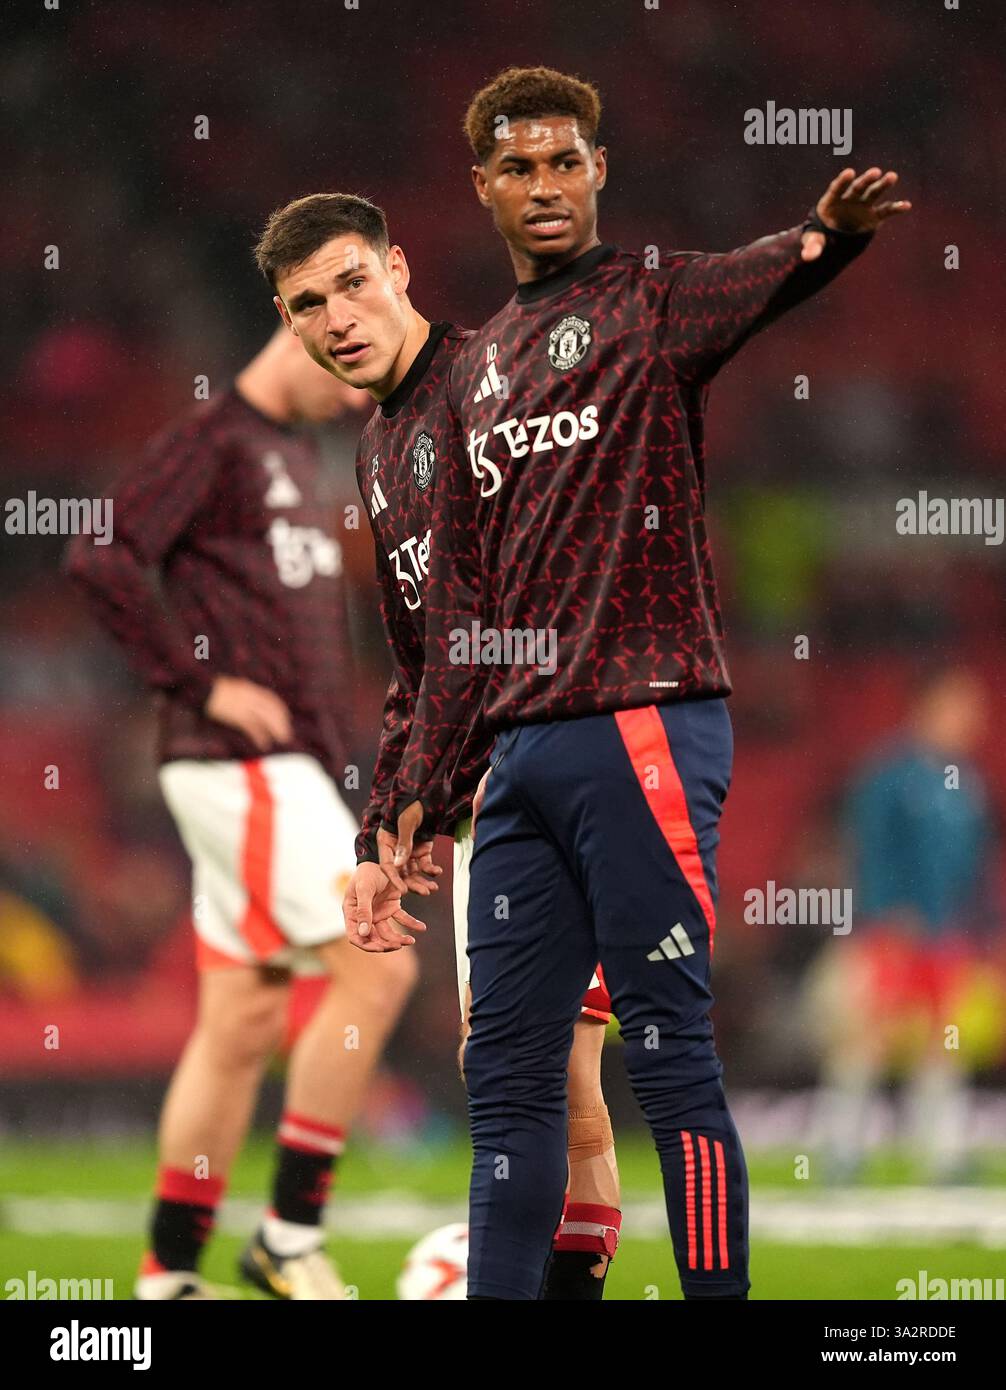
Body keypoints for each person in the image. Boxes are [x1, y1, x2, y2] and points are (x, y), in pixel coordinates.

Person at [383, 65, 910, 1300]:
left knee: (670, 1058)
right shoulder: (471, 374)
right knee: (505, 1080)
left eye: (565, 161)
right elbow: (460, 614)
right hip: (516, 763)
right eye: (518, 168)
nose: (545, 185)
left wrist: (825, 236)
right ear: (483, 189)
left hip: (645, 720)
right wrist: (412, 796)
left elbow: (766, 274)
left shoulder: (654, 298)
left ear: (598, 170)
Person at [256, 191, 623, 1299]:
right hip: (492, 792)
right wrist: (390, 821)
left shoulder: (492, 387)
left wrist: (419, 801)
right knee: (515, 1065)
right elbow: (423, 668)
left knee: (546, 1066)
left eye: (352, 281)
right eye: (305, 304)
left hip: (574, 761)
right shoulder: (378, 447)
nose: (337, 317)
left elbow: (506, 626)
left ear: (400, 268)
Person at [66, 326, 417, 1300]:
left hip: (279, 769)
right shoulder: (214, 439)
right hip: (243, 762)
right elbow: (101, 555)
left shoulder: (292, 455)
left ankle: (168, 1273)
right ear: (300, 335)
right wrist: (197, 684)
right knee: (380, 960)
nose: (356, 401)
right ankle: (289, 1237)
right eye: (346, 375)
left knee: (240, 1021)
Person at [810, 668, 997, 1183]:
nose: (971, 720)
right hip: (892, 932)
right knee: (866, 1039)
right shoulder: (888, 774)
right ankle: (841, 1151)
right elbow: (868, 849)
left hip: (946, 934)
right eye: (960, 706)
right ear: (928, 706)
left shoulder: (966, 782)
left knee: (944, 1042)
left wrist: (978, 931)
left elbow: (973, 868)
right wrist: (885, 912)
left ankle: (941, 1155)